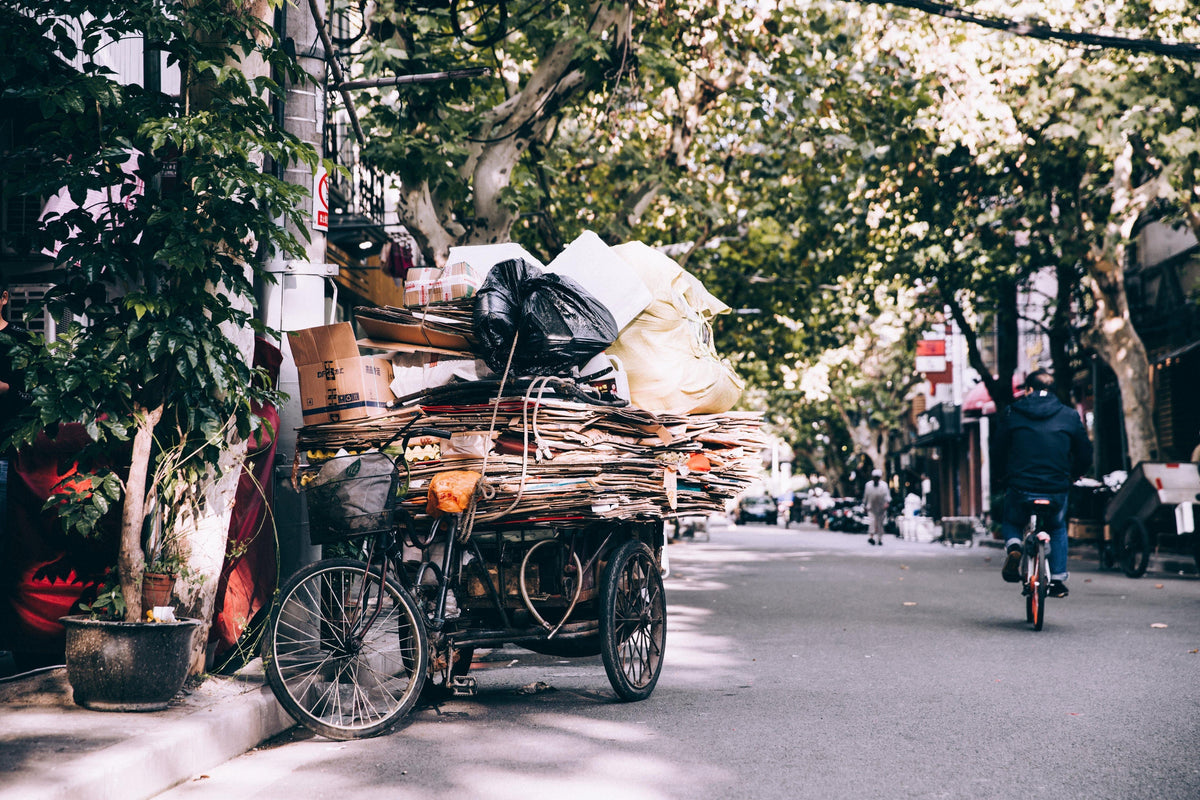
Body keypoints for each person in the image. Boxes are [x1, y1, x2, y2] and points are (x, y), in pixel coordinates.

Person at [992, 369, 1093, 598]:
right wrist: (1074, 474)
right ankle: (1057, 579)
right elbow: (1085, 453)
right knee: (1056, 527)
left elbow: (998, 450)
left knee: (1012, 520)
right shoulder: (1069, 415)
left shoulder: (1012, 413)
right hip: (1056, 486)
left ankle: (1015, 546)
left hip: (1020, 486)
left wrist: (1000, 476)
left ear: (1028, 390)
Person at [863, 469, 891, 546]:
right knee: (871, 522)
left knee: (880, 523)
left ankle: (879, 538)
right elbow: (865, 496)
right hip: (871, 507)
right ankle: (871, 537)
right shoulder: (868, 485)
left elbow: (887, 496)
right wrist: (865, 505)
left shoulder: (884, 485)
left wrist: (887, 504)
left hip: (881, 507)